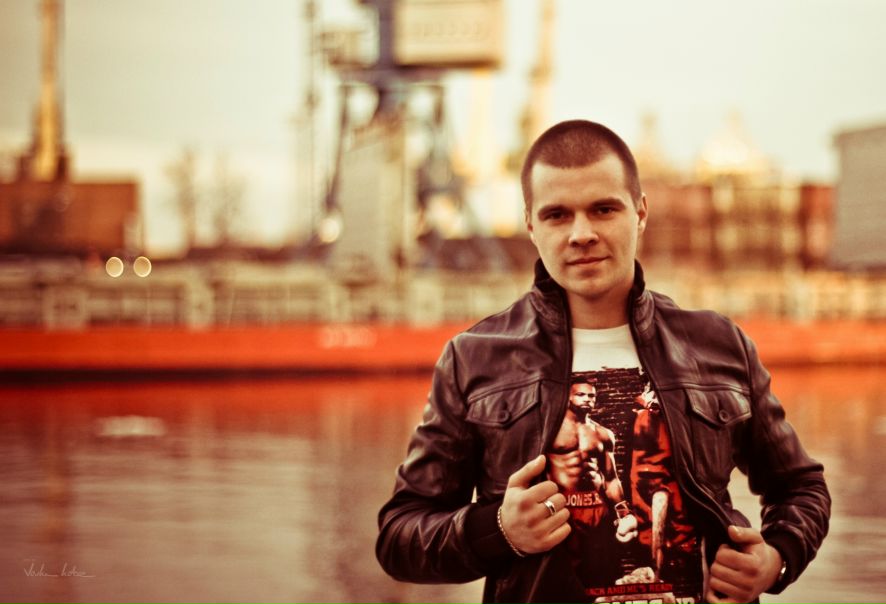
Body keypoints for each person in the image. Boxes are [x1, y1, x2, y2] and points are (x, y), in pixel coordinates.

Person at [376, 119, 830, 604]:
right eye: (557, 215)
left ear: (640, 212)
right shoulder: (474, 358)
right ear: (530, 225)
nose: (582, 234)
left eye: (603, 209)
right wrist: (498, 529)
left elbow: (800, 486)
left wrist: (775, 559)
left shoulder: (718, 345)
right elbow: (400, 536)